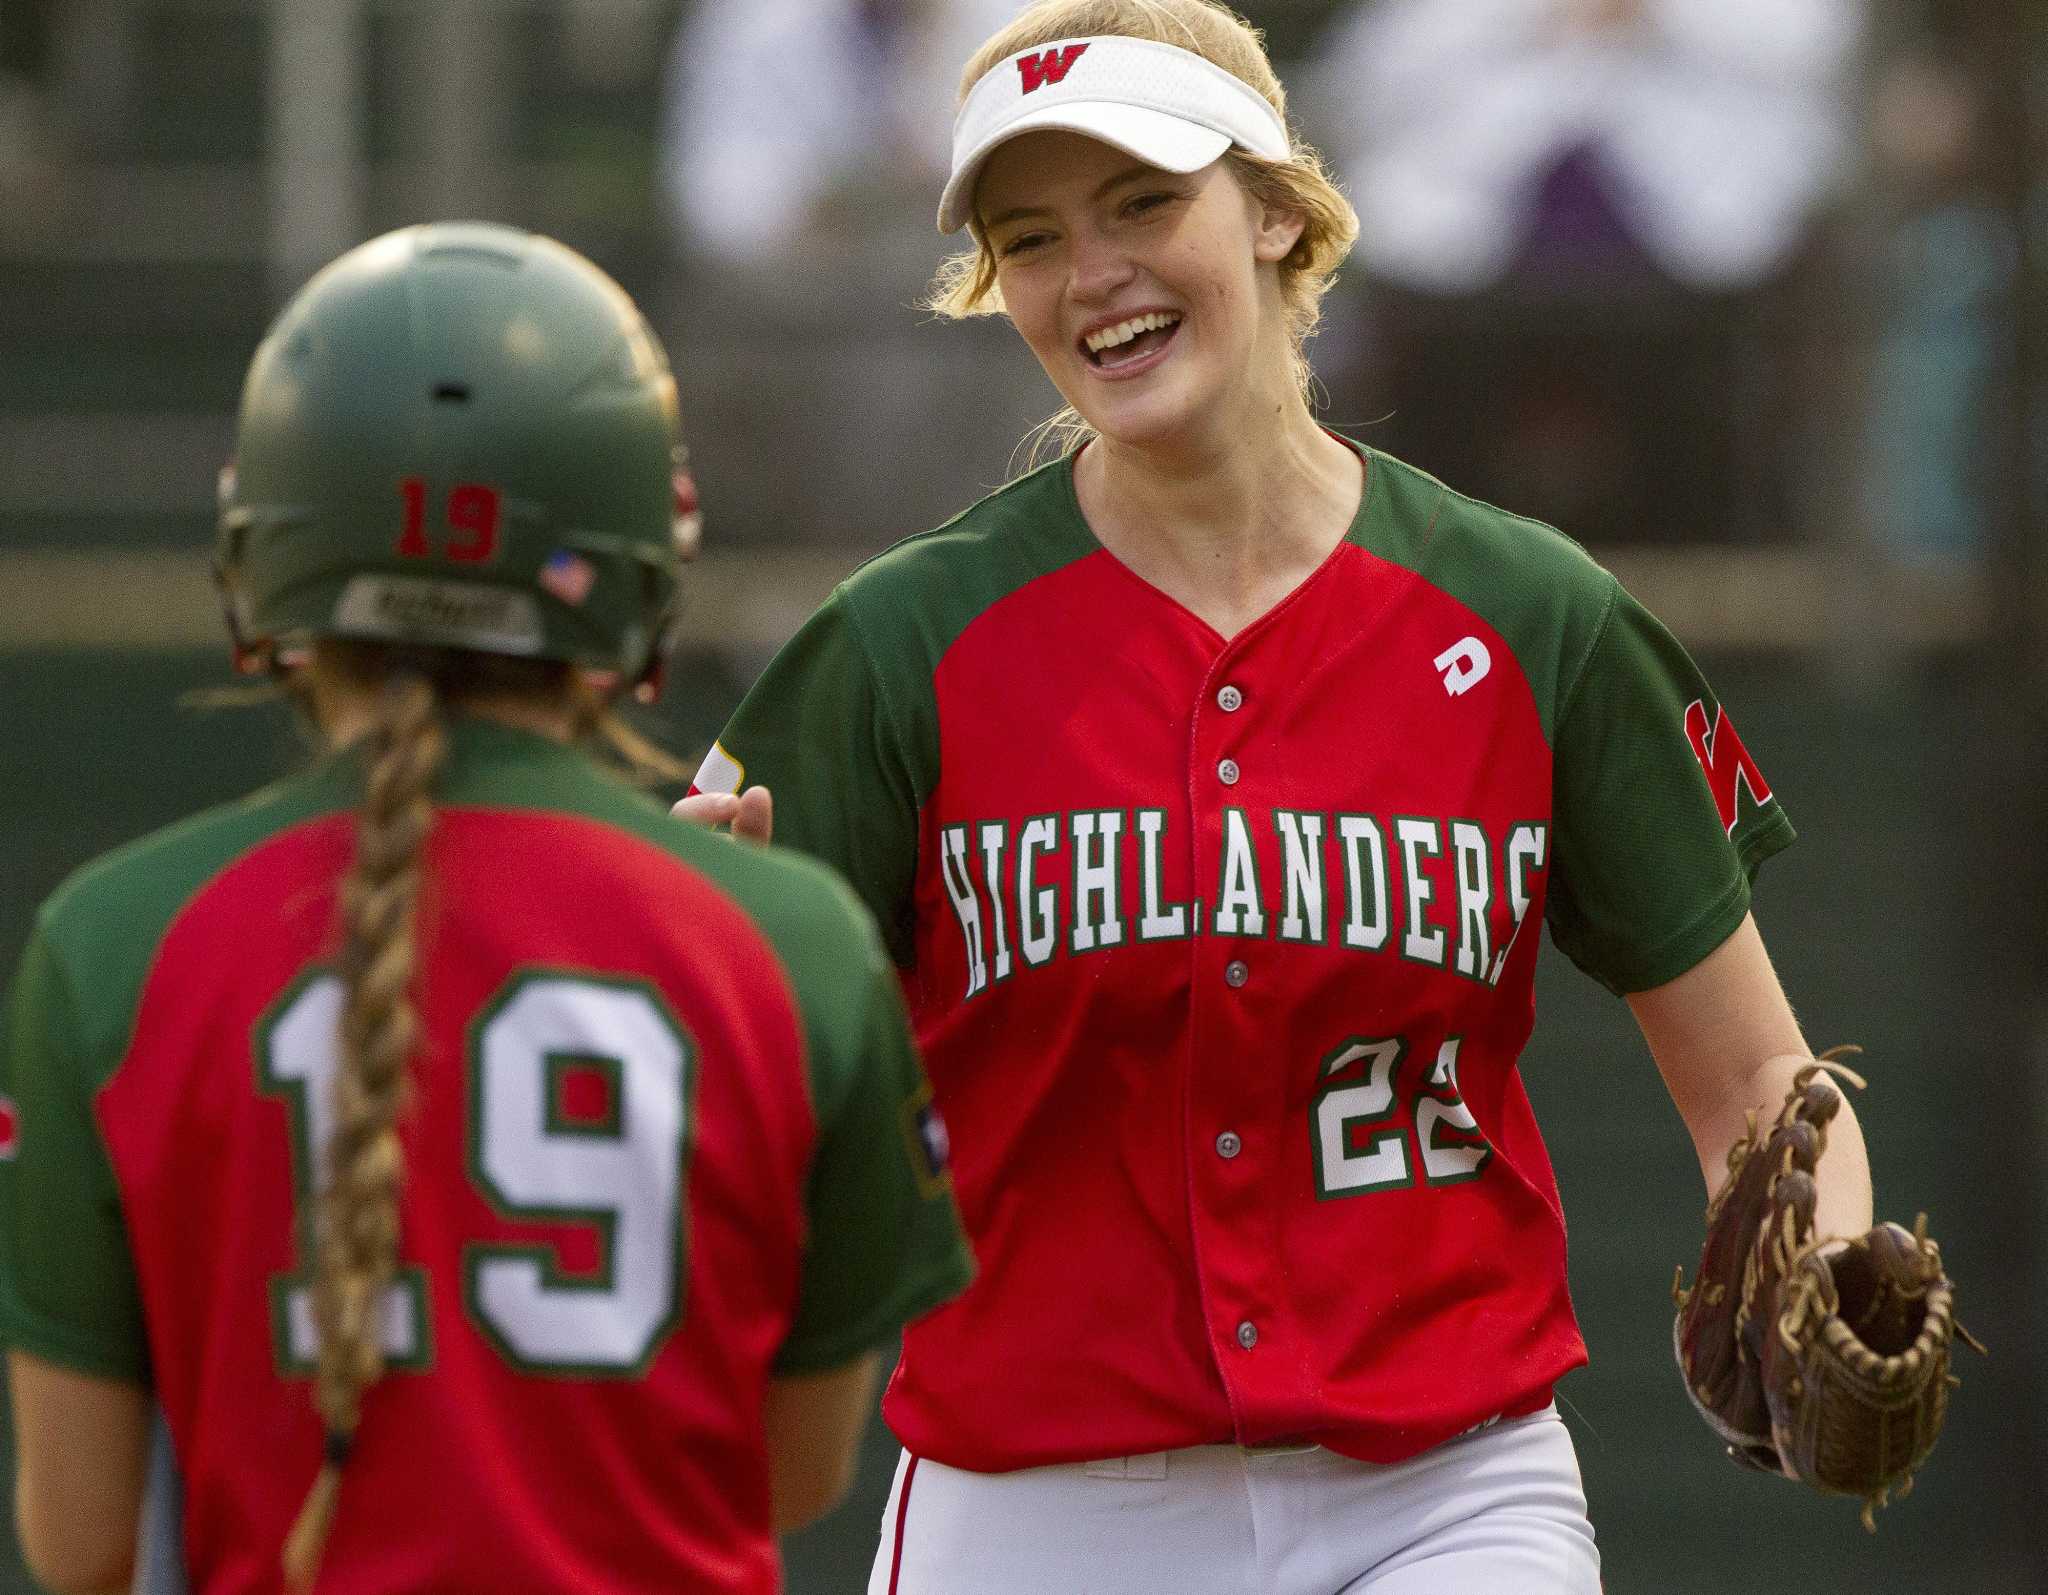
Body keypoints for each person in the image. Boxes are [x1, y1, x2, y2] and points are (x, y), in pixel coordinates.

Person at [682, 2, 1878, 1591]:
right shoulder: (901, 645)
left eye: (1143, 202)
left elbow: (1761, 1087)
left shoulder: (1533, 617)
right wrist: (692, 972)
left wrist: (1839, 1265)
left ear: (1276, 210)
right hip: (1042, 1496)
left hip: (1449, 1488)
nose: (1089, 269)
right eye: (1031, 236)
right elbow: (697, 1077)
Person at [0, 221, 972, 1595]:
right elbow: (790, 1469)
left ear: (263, 560)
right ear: (640, 568)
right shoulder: (792, 943)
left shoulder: (109, 944)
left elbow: (83, 1539)